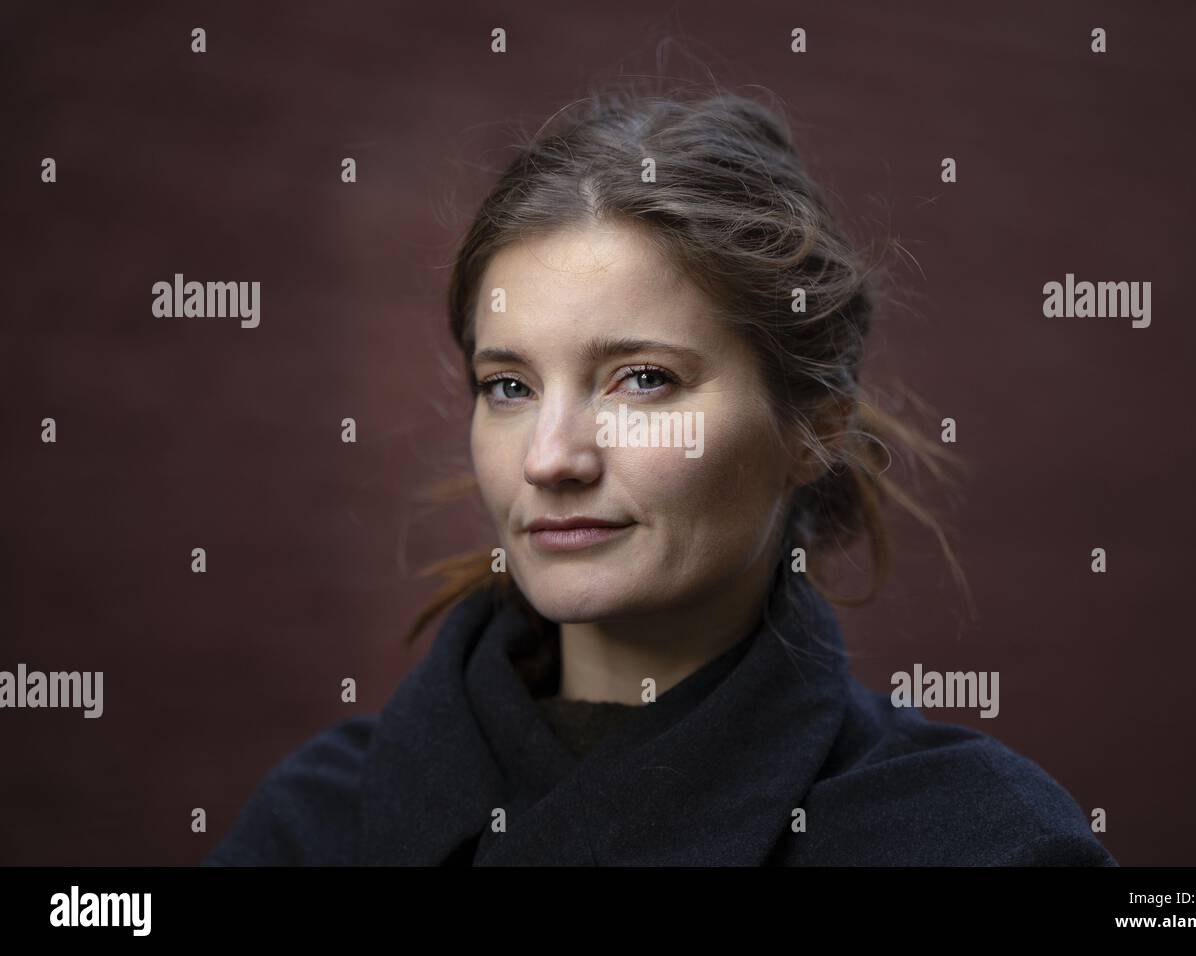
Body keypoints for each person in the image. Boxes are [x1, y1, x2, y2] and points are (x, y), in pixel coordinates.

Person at [204, 83, 1117, 866]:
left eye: (644, 380)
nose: (552, 458)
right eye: (509, 386)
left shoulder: (972, 841)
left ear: (813, 428)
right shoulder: (318, 822)